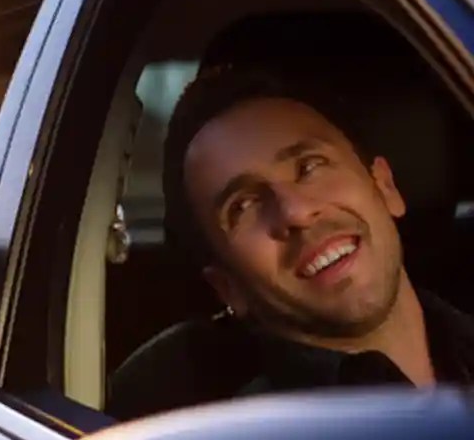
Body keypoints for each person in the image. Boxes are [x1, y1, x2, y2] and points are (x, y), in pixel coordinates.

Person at [160, 64, 474, 399]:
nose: (296, 213)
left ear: (385, 186)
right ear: (228, 288)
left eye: (309, 167)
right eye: (243, 206)